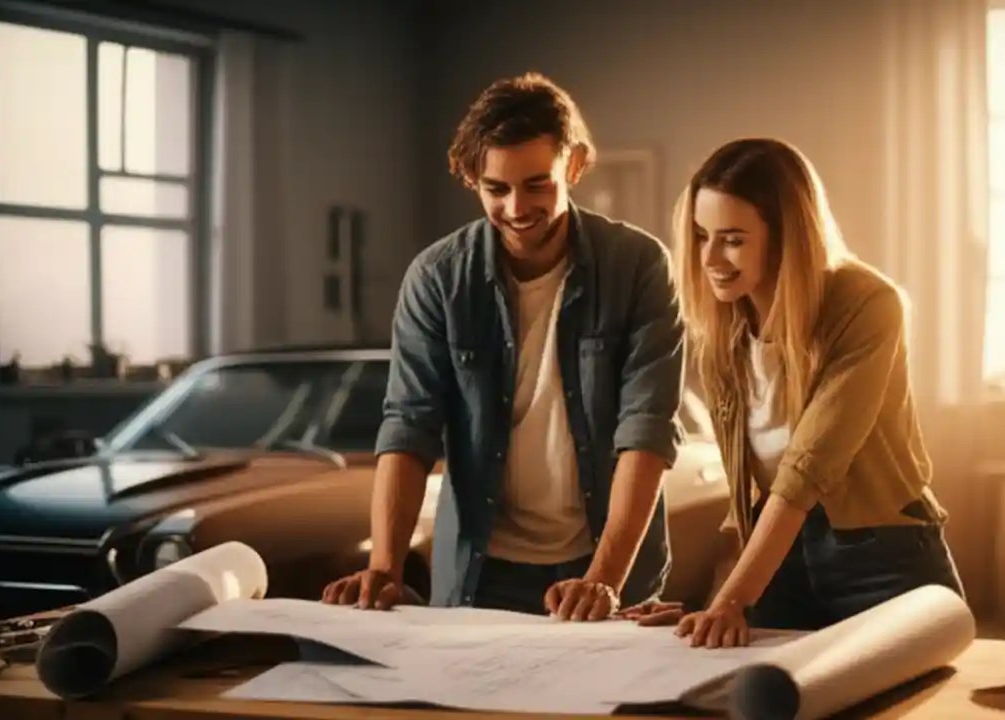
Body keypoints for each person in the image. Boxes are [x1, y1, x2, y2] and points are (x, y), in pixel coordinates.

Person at [320, 72, 685, 621]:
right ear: (473, 178)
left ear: (574, 165)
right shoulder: (438, 278)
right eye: (497, 190)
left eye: (537, 185)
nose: (517, 208)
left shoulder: (638, 266)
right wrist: (386, 569)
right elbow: (409, 426)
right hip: (482, 571)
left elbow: (647, 428)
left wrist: (604, 580)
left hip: (609, 562)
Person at [623, 138, 963, 647]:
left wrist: (731, 600)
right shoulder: (722, 327)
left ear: (786, 237)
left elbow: (806, 469)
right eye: (700, 235)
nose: (709, 257)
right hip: (782, 559)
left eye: (732, 240)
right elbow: (749, 500)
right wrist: (706, 605)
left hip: (883, 555)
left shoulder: (869, 305)